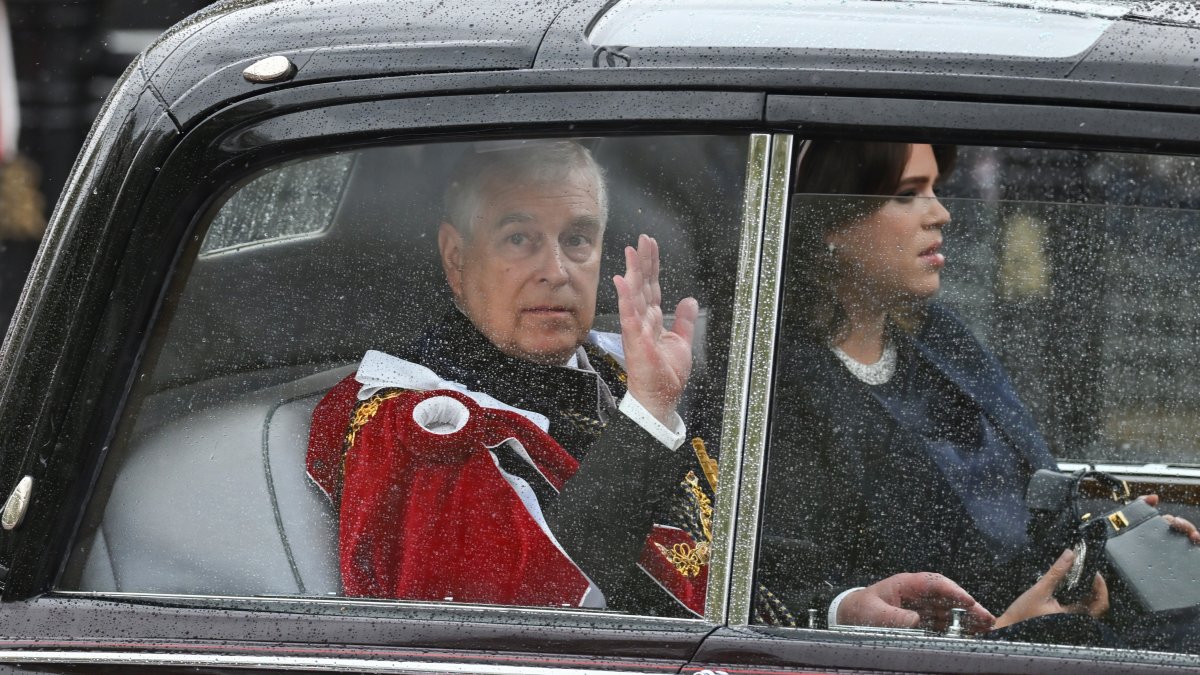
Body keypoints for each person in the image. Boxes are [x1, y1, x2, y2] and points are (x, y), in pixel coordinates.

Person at [758, 141, 1200, 645]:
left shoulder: (941, 339)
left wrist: (1102, 546)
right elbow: (786, 590)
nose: (940, 214)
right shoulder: (779, 381)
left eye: (935, 190)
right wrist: (1012, 632)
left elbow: (1030, 499)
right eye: (907, 194)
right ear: (833, 222)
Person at [307, 140, 710, 614]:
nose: (556, 272)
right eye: (519, 239)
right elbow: (526, 620)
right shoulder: (422, 427)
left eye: (577, 239)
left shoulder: (618, 365)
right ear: (456, 257)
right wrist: (649, 414)